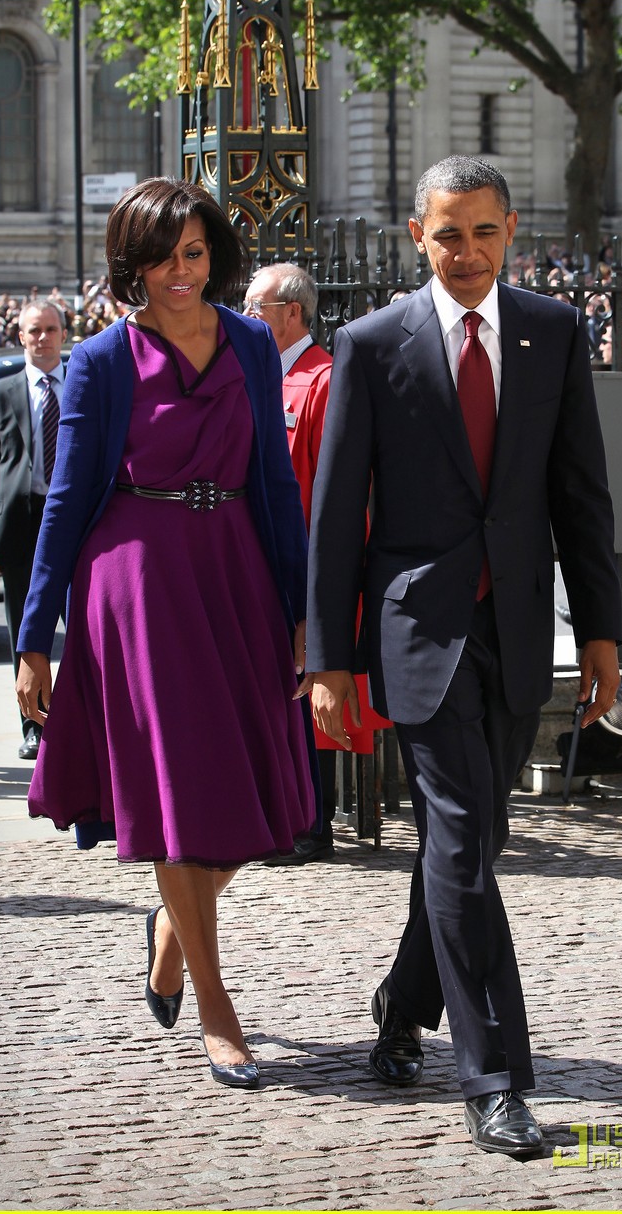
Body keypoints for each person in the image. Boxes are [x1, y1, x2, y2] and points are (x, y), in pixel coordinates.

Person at [298, 156, 622, 1155]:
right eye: (447, 233)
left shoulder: (552, 332)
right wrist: (328, 656)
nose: (466, 251)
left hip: (518, 630)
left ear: (509, 229)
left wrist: (601, 629)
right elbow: (333, 515)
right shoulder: (369, 344)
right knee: (460, 844)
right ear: (415, 234)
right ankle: (494, 1080)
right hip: (415, 633)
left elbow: (579, 493)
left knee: (468, 844)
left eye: (483, 232)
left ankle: (400, 1006)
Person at [15, 177, 318, 1091]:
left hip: (234, 571)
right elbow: (66, 503)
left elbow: (275, 481)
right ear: (132, 262)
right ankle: (218, 1009)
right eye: (160, 256)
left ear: (212, 256)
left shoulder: (253, 345)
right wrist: (36, 637)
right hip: (135, 581)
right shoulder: (102, 360)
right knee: (180, 799)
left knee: (254, 789)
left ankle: (169, 934)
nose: (178, 273)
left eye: (193, 253)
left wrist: (303, 610)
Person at [243, 262, 391, 864]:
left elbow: (340, 494)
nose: (246, 316)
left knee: (309, 692)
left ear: (292, 313)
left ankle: (312, 821)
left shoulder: (323, 379)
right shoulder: (261, 377)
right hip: (259, 563)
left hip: (305, 565)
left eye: (257, 307)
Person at [0, 301, 68, 759]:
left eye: (51, 329)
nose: (43, 338)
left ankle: (78, 720)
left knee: (81, 629)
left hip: (72, 521)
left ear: (63, 333)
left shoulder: (80, 386)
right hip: (20, 523)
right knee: (24, 629)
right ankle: (33, 728)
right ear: (21, 336)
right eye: (34, 330)